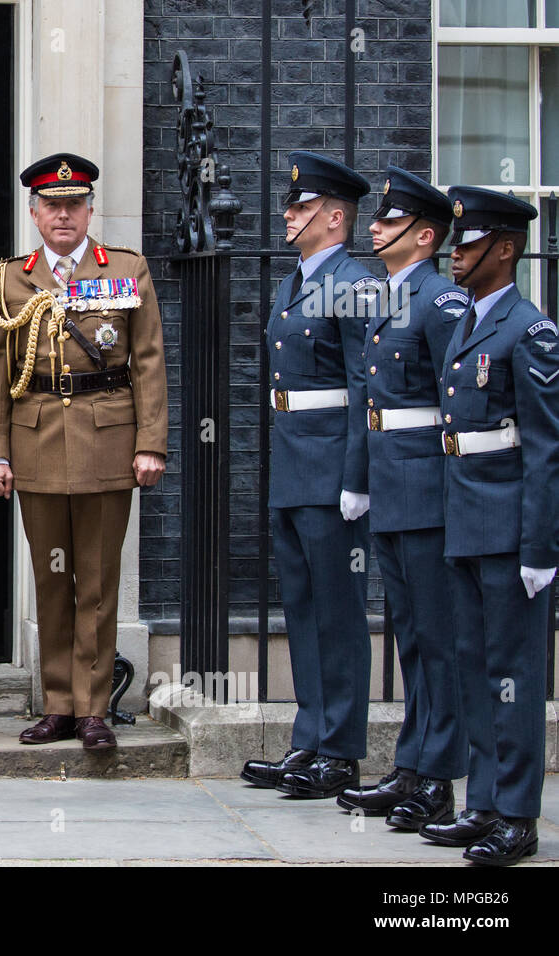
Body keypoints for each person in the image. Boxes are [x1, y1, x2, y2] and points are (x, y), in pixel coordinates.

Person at [0, 153, 167, 751]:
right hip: (35, 444)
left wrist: (150, 444)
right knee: (52, 577)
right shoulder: (10, 278)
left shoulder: (126, 270)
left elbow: (150, 362)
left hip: (107, 443)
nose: (63, 215)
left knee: (99, 581)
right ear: (34, 213)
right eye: (51, 206)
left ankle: (94, 710)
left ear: (89, 210)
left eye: (74, 204)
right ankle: (57, 703)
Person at [419, 187, 558, 866]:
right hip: (466, 516)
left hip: (507, 528)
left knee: (514, 673)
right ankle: (482, 803)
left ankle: (517, 815)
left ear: (505, 248)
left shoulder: (528, 330)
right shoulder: (471, 324)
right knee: (474, 666)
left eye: (469, 244)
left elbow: (544, 445)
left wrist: (540, 545)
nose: (456, 254)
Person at [336, 167, 469, 827]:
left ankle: (437, 776)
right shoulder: (389, 299)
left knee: (438, 638)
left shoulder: (440, 301)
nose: (376, 228)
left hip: (427, 484)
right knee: (411, 635)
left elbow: (461, 404)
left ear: (423, 237)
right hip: (392, 479)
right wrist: (361, 480)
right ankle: (413, 766)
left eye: (389, 222)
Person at [239, 151, 373, 797]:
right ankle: (311, 738)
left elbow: (364, 387)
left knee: (338, 613)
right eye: (291, 206)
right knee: (303, 607)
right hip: (294, 461)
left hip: (330, 472)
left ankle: (341, 751)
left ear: (335, 216)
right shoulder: (297, 280)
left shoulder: (352, 282)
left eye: (300, 206)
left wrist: (356, 477)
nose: (287, 215)